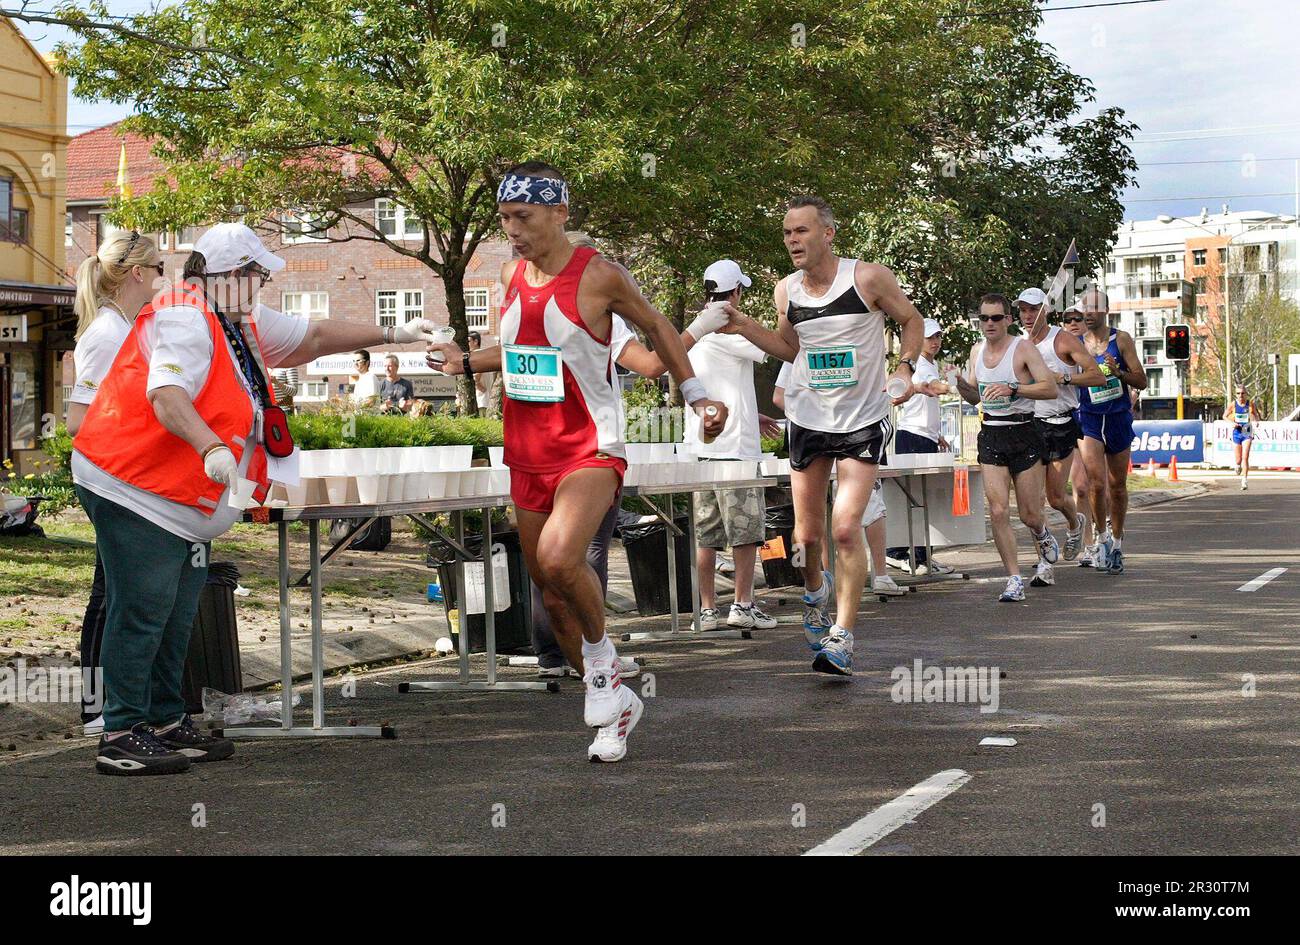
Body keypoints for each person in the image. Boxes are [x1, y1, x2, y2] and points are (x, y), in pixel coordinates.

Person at [73, 223, 441, 776]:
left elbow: (312, 337)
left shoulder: (233, 318)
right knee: (144, 610)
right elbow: (166, 394)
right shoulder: (184, 314)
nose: (265, 284)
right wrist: (212, 450)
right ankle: (122, 732)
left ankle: (167, 720)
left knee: (175, 613)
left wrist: (395, 335)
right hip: (133, 485)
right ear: (230, 276)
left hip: (178, 498)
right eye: (258, 274)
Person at [427, 162, 728, 762]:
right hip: (527, 451)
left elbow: (657, 328)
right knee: (550, 590)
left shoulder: (599, 274)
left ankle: (598, 664)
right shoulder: (511, 273)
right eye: (505, 219)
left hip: (591, 446)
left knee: (561, 558)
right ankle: (615, 707)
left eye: (524, 217)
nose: (512, 230)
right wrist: (464, 362)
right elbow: (517, 354)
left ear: (560, 213)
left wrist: (697, 394)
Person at [722, 195, 923, 675]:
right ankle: (815, 593)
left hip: (861, 421)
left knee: (844, 527)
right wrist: (745, 326)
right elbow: (789, 348)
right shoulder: (785, 290)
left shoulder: (868, 278)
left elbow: (911, 321)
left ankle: (843, 636)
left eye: (802, 231)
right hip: (809, 420)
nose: (793, 240)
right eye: (788, 233)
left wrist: (904, 368)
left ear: (828, 234)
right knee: (808, 535)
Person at [67, 231, 165, 736]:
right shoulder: (108, 334)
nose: (163, 279)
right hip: (112, 478)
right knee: (110, 589)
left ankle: (106, 704)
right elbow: (77, 421)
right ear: (138, 274)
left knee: (113, 586)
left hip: (125, 475)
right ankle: (97, 707)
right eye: (160, 269)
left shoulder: (127, 327)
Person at [953, 293, 1060, 602]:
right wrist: (959, 383)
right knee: (998, 510)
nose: (989, 323)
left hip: (1024, 432)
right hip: (991, 434)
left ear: (1008, 320)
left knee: (1028, 514)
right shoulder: (976, 351)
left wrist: (1015, 387)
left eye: (996, 318)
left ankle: (1041, 532)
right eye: (983, 318)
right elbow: (976, 397)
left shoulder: (1022, 348)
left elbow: (1050, 388)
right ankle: (1013, 578)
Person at [773, 363, 903, 597]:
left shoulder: (856, 339)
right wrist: (807, 413)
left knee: (850, 525)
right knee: (805, 533)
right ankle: (816, 584)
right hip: (810, 436)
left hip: (853, 435)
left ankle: (878, 577)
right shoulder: (799, 345)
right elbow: (778, 396)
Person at [1015, 287, 1106, 587]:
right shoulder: (1019, 344)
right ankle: (1044, 564)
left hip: (1061, 423)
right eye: (1023, 310)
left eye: (1034, 309)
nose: (1028, 316)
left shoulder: (1062, 339)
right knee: (1032, 501)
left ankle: (1074, 521)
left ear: (1047, 310)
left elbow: (1097, 376)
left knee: (1055, 497)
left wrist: (1064, 377)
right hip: (1030, 425)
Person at [1077, 287, 1145, 574]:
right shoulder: (1075, 343)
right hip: (1089, 418)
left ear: (1106, 310)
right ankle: (1102, 539)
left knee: (1117, 486)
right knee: (1096, 482)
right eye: (1085, 308)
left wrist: (1119, 373)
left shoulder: (1122, 339)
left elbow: (1141, 380)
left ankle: (1117, 543)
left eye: (1094, 308)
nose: (1088, 313)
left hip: (1117, 417)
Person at [884, 317, 954, 576]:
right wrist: (954, 383)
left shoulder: (930, 364)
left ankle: (923, 555)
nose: (934, 342)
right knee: (914, 496)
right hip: (911, 436)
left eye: (937, 337)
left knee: (925, 496)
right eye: (929, 337)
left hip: (924, 437)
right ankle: (899, 553)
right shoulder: (920, 365)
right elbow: (934, 387)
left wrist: (936, 435)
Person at [1061, 301, 1096, 566]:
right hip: (1068, 421)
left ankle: (1102, 533)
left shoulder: (1095, 349)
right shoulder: (1055, 349)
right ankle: (1088, 543)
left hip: (1095, 419)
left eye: (1078, 318)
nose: (1073, 323)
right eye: (1067, 319)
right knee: (1080, 487)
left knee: (1100, 486)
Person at [1225, 385, 1261, 490]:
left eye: (1242, 393)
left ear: (1246, 394)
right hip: (1236, 431)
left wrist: (1256, 421)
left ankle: (1244, 480)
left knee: (1245, 457)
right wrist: (1232, 423)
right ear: (1236, 394)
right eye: (1238, 393)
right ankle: (1237, 466)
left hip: (1247, 430)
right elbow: (1224, 416)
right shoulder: (1233, 404)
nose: (1240, 395)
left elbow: (1255, 414)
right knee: (1238, 459)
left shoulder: (1250, 404)